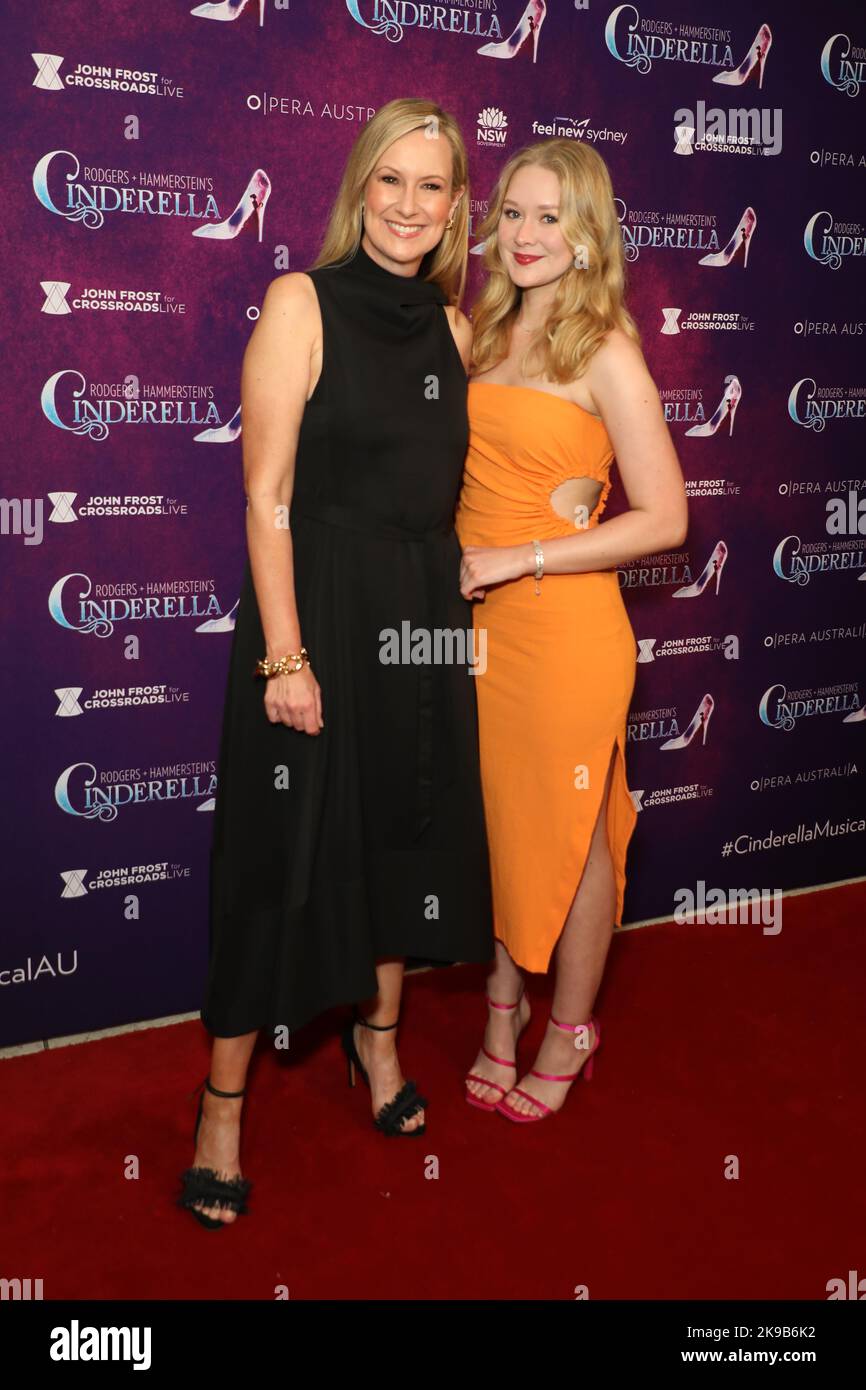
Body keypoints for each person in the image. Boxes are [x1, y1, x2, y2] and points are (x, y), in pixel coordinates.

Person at [178, 99, 493, 1226]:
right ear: (360, 188)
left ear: (458, 207)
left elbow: (459, 491)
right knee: (275, 859)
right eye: (390, 182)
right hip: (309, 619)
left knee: (405, 835)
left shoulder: (457, 333)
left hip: (417, 620)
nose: (410, 207)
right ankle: (221, 1109)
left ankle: (379, 1051)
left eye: (433, 187)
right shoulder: (299, 302)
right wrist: (282, 657)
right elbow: (263, 495)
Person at [456, 138, 687, 1122]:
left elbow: (665, 519)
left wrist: (527, 556)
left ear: (588, 234)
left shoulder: (606, 353)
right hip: (476, 631)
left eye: (549, 217)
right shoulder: (476, 334)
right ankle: (501, 1003)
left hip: (563, 633)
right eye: (511, 212)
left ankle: (570, 1024)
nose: (524, 234)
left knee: (579, 832)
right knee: (507, 826)